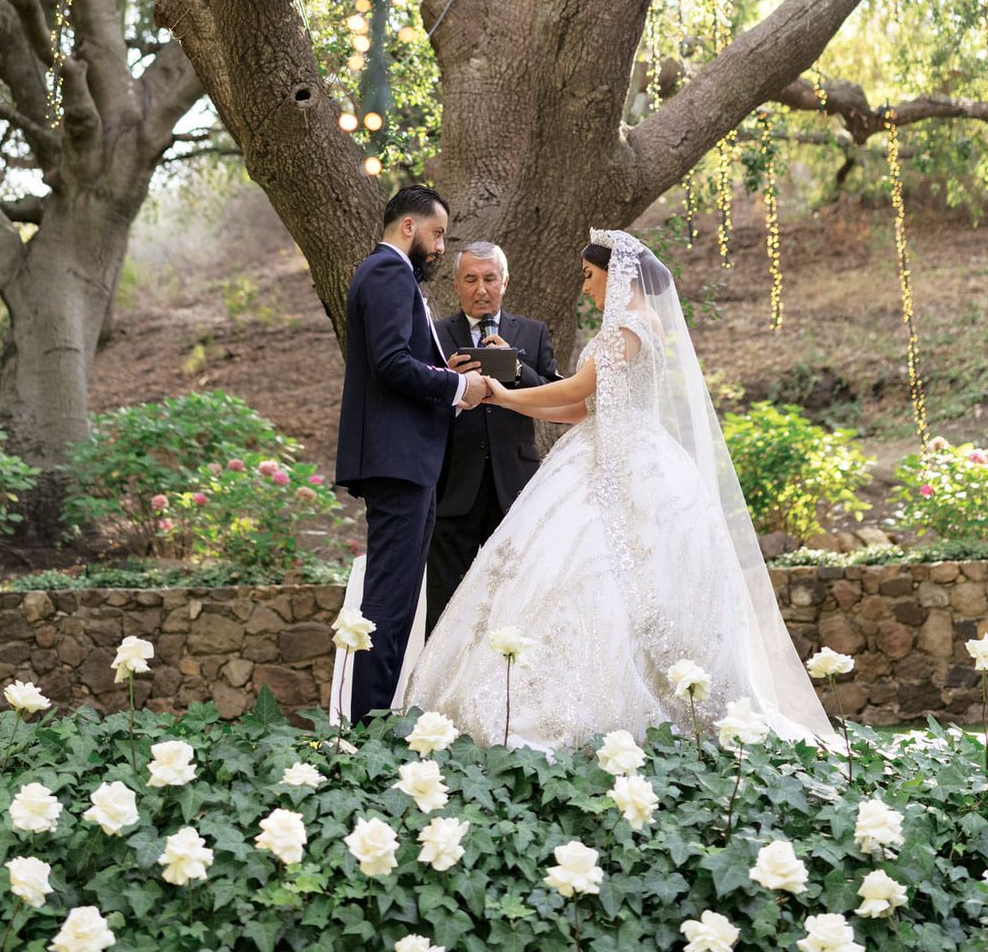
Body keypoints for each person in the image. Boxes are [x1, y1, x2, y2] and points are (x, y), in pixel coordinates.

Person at [404, 229, 835, 750]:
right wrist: (500, 400)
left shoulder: (630, 325)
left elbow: (578, 389)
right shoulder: (620, 328)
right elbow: (580, 409)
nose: (586, 289)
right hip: (595, 448)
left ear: (616, 273)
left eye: (589, 277)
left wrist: (503, 387)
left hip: (629, 463)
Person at [334, 184, 491, 723]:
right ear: (409, 226)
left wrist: (446, 375)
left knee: (398, 602)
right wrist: (454, 389)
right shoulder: (386, 272)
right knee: (388, 601)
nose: (441, 247)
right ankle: (364, 729)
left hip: (407, 460)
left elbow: (401, 361)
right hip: (397, 462)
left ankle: (373, 723)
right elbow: (391, 363)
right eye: (438, 234)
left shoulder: (389, 274)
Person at [426, 242, 557, 635]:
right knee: (446, 608)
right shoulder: (434, 334)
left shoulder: (532, 333)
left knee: (517, 600)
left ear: (505, 282)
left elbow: (553, 397)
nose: (481, 289)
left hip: (514, 484)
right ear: (456, 285)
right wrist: (446, 380)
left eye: (489, 278)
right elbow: (418, 402)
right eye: (471, 279)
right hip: (453, 485)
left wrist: (517, 368)